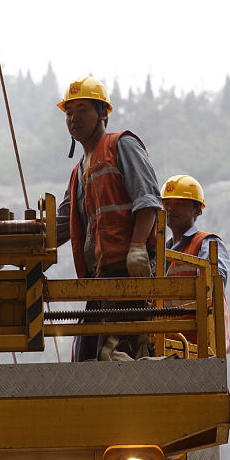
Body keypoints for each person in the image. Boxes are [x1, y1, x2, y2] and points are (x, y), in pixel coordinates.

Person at [56, 76, 163, 361]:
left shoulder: (122, 145)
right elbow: (60, 226)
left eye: (82, 110)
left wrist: (138, 246)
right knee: (85, 357)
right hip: (99, 280)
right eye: (69, 112)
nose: (73, 118)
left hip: (129, 273)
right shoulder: (78, 173)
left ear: (103, 113)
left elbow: (148, 199)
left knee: (112, 353)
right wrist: (20, 246)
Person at [161, 174, 230, 352]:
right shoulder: (161, 252)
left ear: (196, 211)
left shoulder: (206, 243)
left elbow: (215, 285)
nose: (171, 209)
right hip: (167, 342)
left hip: (200, 342)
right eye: (168, 203)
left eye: (180, 204)